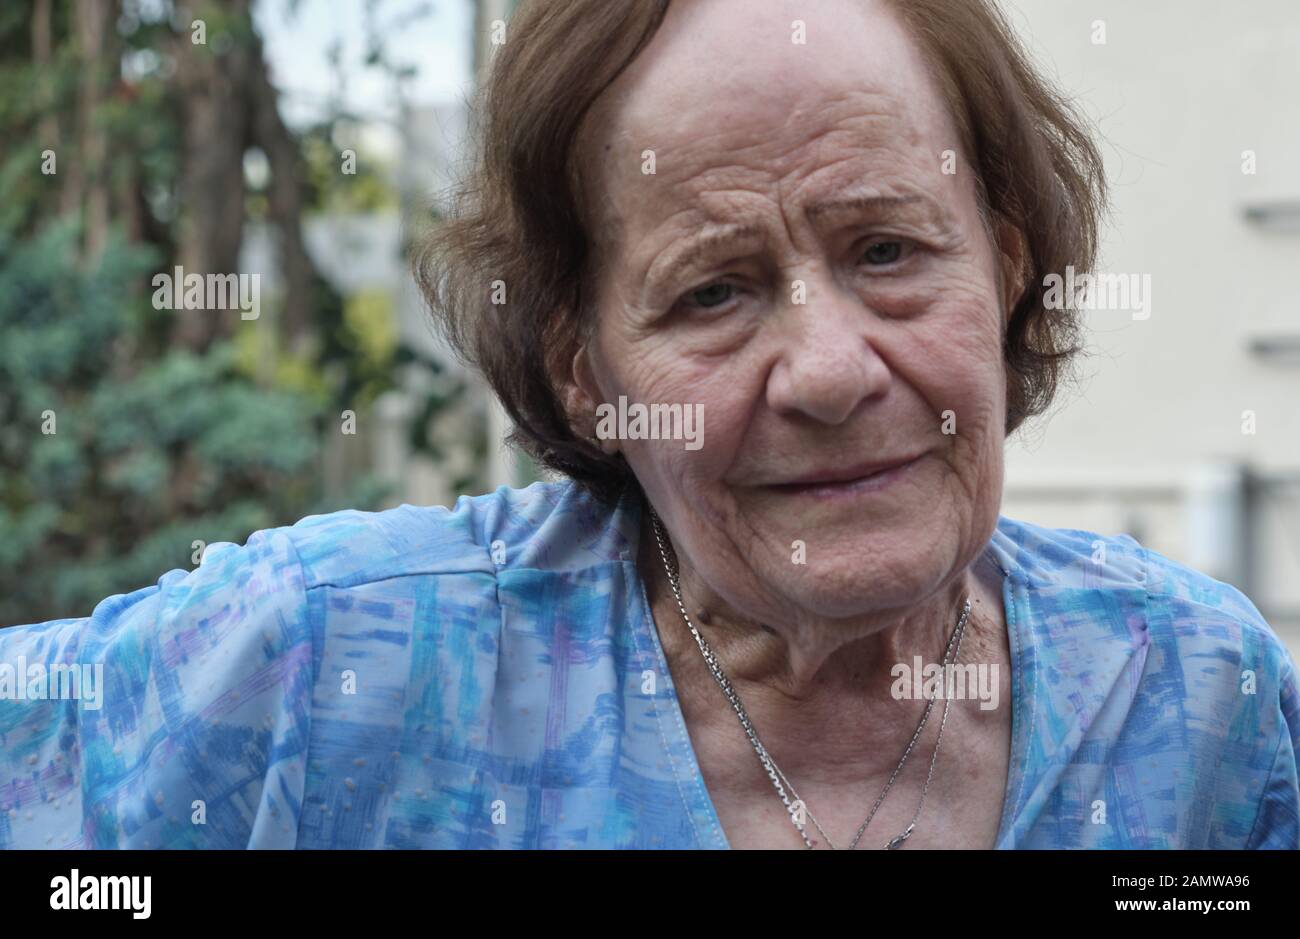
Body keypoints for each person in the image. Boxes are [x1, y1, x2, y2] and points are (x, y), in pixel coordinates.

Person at [2, 0, 1296, 849]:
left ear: (1008, 269)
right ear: (583, 371)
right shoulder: (349, 660)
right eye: (713, 289)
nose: (831, 372)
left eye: (891, 248)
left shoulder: (1189, 698)